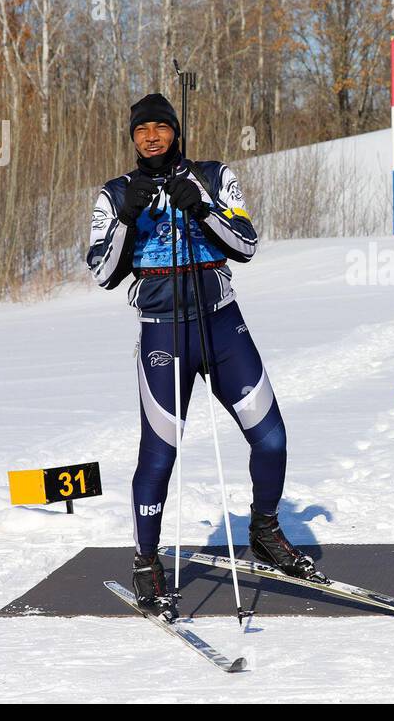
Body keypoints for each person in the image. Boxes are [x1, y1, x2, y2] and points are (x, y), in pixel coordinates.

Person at [86, 92, 323, 612]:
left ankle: (264, 529)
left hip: (221, 325)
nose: (151, 136)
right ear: (132, 138)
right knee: (159, 455)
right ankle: (146, 563)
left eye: (160, 127)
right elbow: (103, 274)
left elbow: (245, 245)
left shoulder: (214, 176)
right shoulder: (114, 193)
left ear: (175, 131)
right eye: (141, 129)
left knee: (272, 438)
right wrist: (128, 217)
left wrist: (202, 206)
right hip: (163, 335)